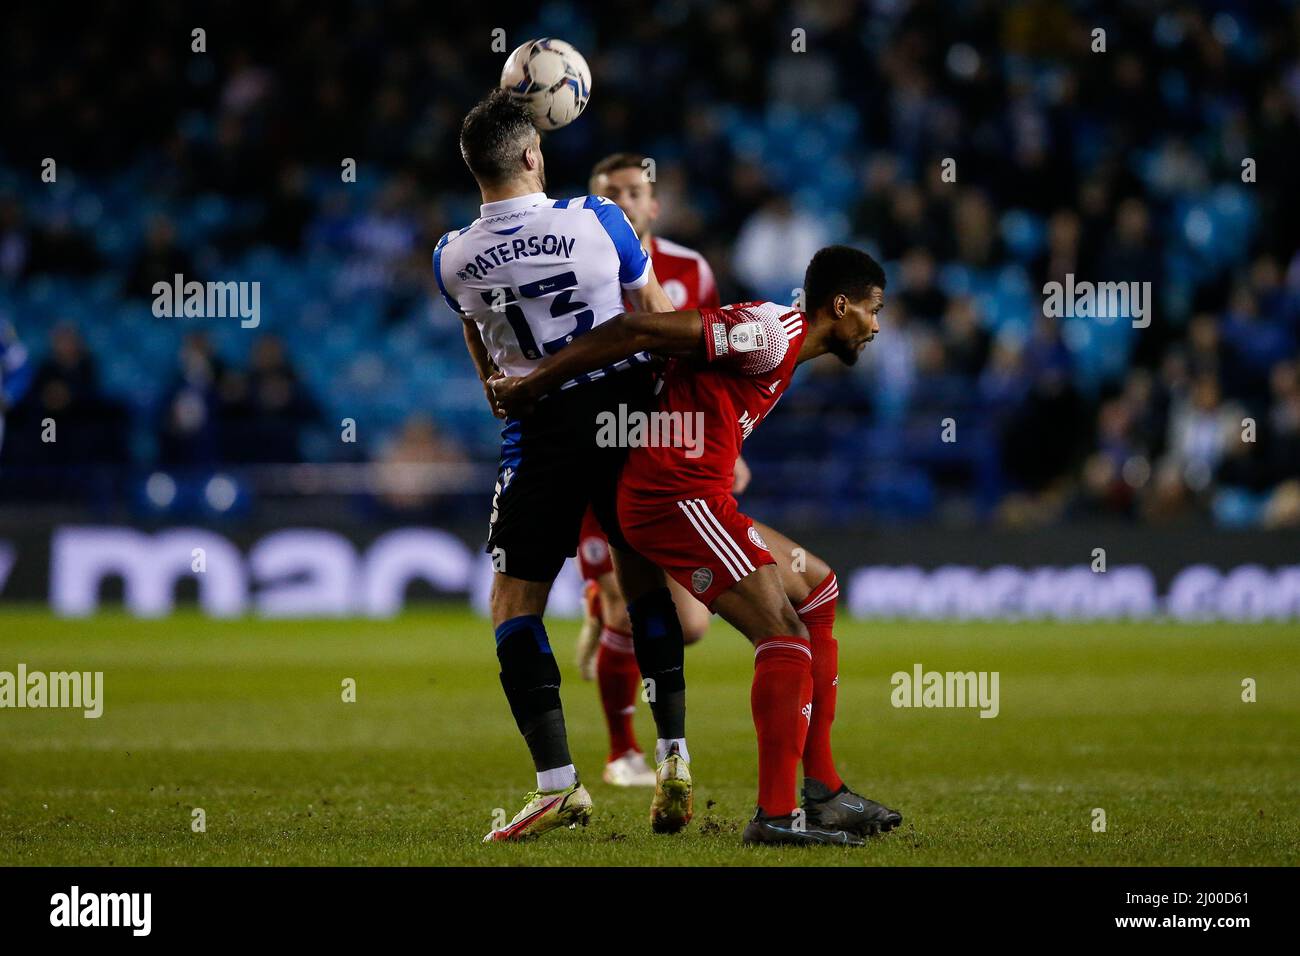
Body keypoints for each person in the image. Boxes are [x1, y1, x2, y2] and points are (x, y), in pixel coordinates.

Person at [491, 245, 903, 846]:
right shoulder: (767, 334)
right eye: (873, 310)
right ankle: (776, 815)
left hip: (700, 495)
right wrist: (535, 384)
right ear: (841, 306)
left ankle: (824, 791)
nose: (875, 326)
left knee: (818, 587)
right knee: (783, 633)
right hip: (672, 498)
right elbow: (636, 330)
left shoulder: (785, 350)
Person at [432, 90, 695, 843]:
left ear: (474, 168)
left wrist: (497, 383)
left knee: (514, 604)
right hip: (624, 415)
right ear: (532, 153)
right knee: (642, 583)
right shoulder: (599, 219)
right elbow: (655, 318)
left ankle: (557, 784)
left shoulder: (451, 257)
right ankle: (674, 757)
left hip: (539, 429)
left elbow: (477, 338)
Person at [575, 151, 723, 787]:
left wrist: (727, 453)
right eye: (610, 193)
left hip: (671, 456)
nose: (625, 202)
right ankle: (622, 754)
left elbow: (710, 364)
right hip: (601, 447)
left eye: (635, 191)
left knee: (691, 625)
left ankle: (597, 604)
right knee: (624, 605)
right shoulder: (577, 266)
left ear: (655, 203)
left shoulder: (692, 270)